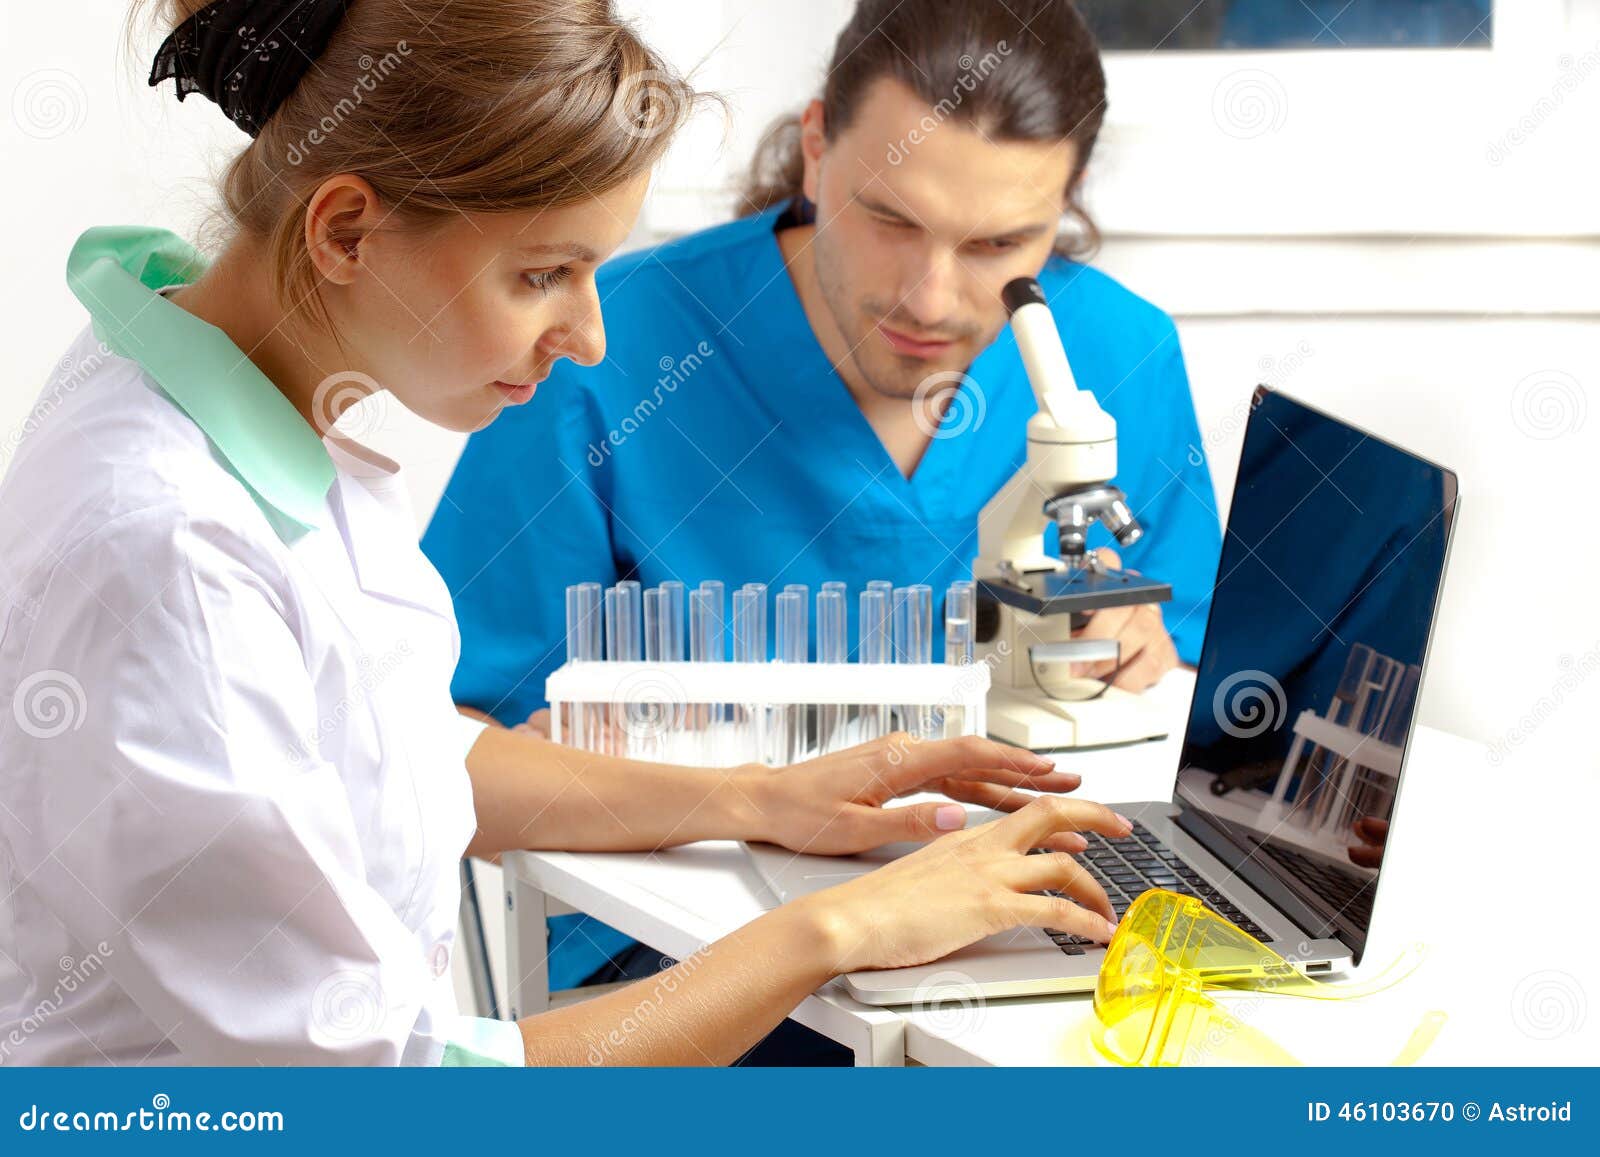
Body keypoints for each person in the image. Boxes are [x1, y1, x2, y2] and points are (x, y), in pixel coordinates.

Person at [0, 0, 1128, 1067]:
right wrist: (834, 932)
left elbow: (388, 755)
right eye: (544, 274)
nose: (589, 337)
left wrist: (756, 798)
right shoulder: (171, 545)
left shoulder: (218, 381)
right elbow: (384, 1092)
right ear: (346, 229)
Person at [423, 0, 1223, 997]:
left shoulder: (1116, 352)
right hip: (675, 956)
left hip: (1020, 926)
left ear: (1066, 201)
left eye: (997, 245)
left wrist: (1138, 649)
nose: (930, 298)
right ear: (814, 149)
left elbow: (1198, 684)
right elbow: (436, 747)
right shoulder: (605, 345)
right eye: (891, 219)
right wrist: (747, 805)